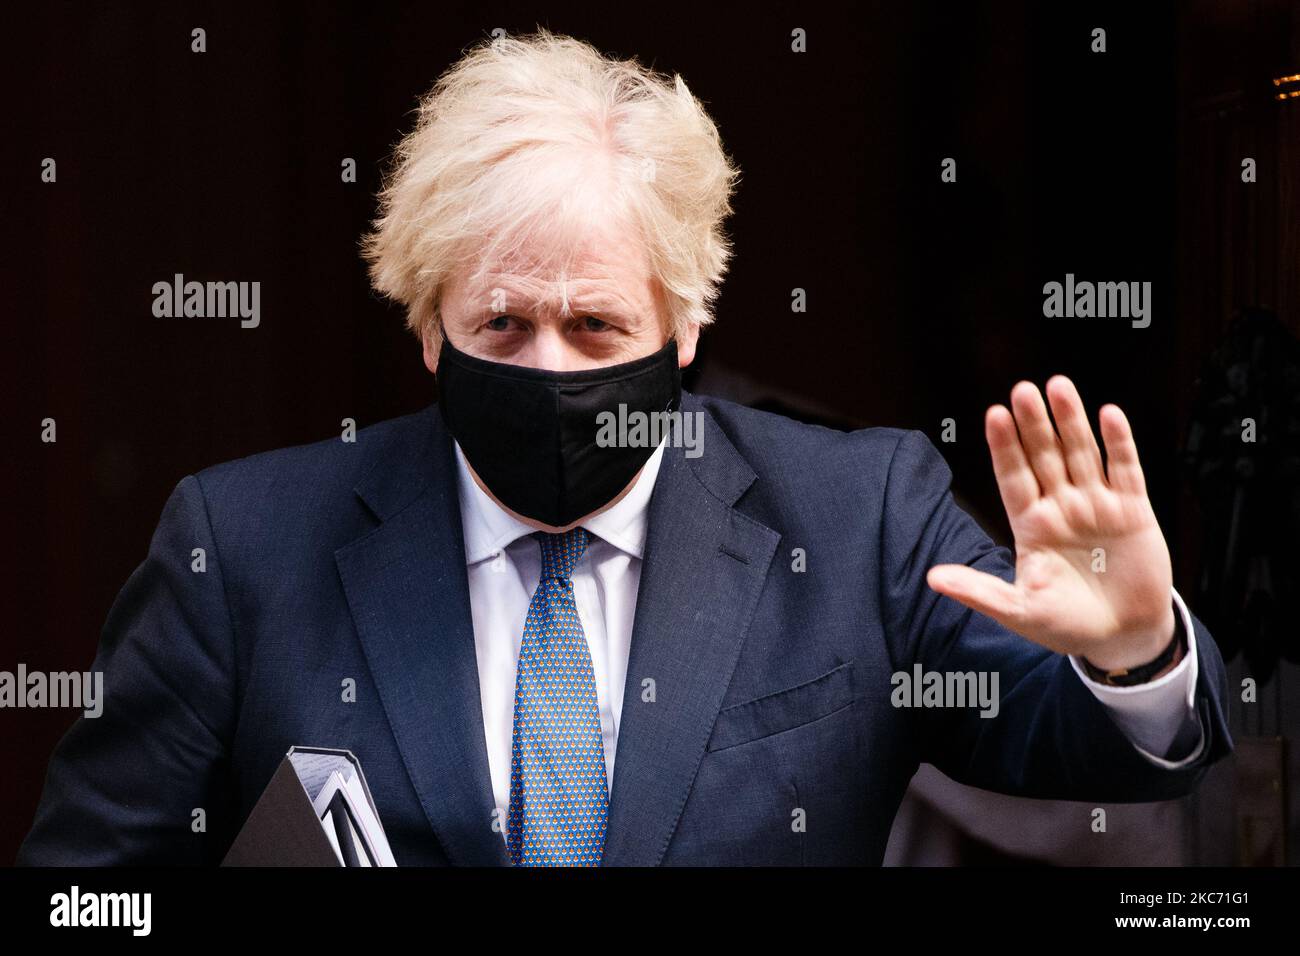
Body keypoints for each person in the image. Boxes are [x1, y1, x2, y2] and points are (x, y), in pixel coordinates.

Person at [18, 29, 1230, 867]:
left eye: (597, 323)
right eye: (501, 321)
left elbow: (1102, 756)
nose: (548, 368)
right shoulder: (241, 551)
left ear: (687, 320)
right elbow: (88, 891)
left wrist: (1133, 655)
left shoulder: (855, 516)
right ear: (427, 326)